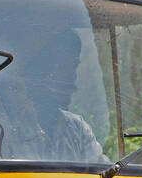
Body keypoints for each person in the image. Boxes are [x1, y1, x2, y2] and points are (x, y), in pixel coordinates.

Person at [18, 29, 105, 163]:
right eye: (60, 67)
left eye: (73, 67)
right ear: (40, 72)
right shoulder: (11, 129)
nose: (70, 77)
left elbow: (103, 172)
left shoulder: (78, 129)